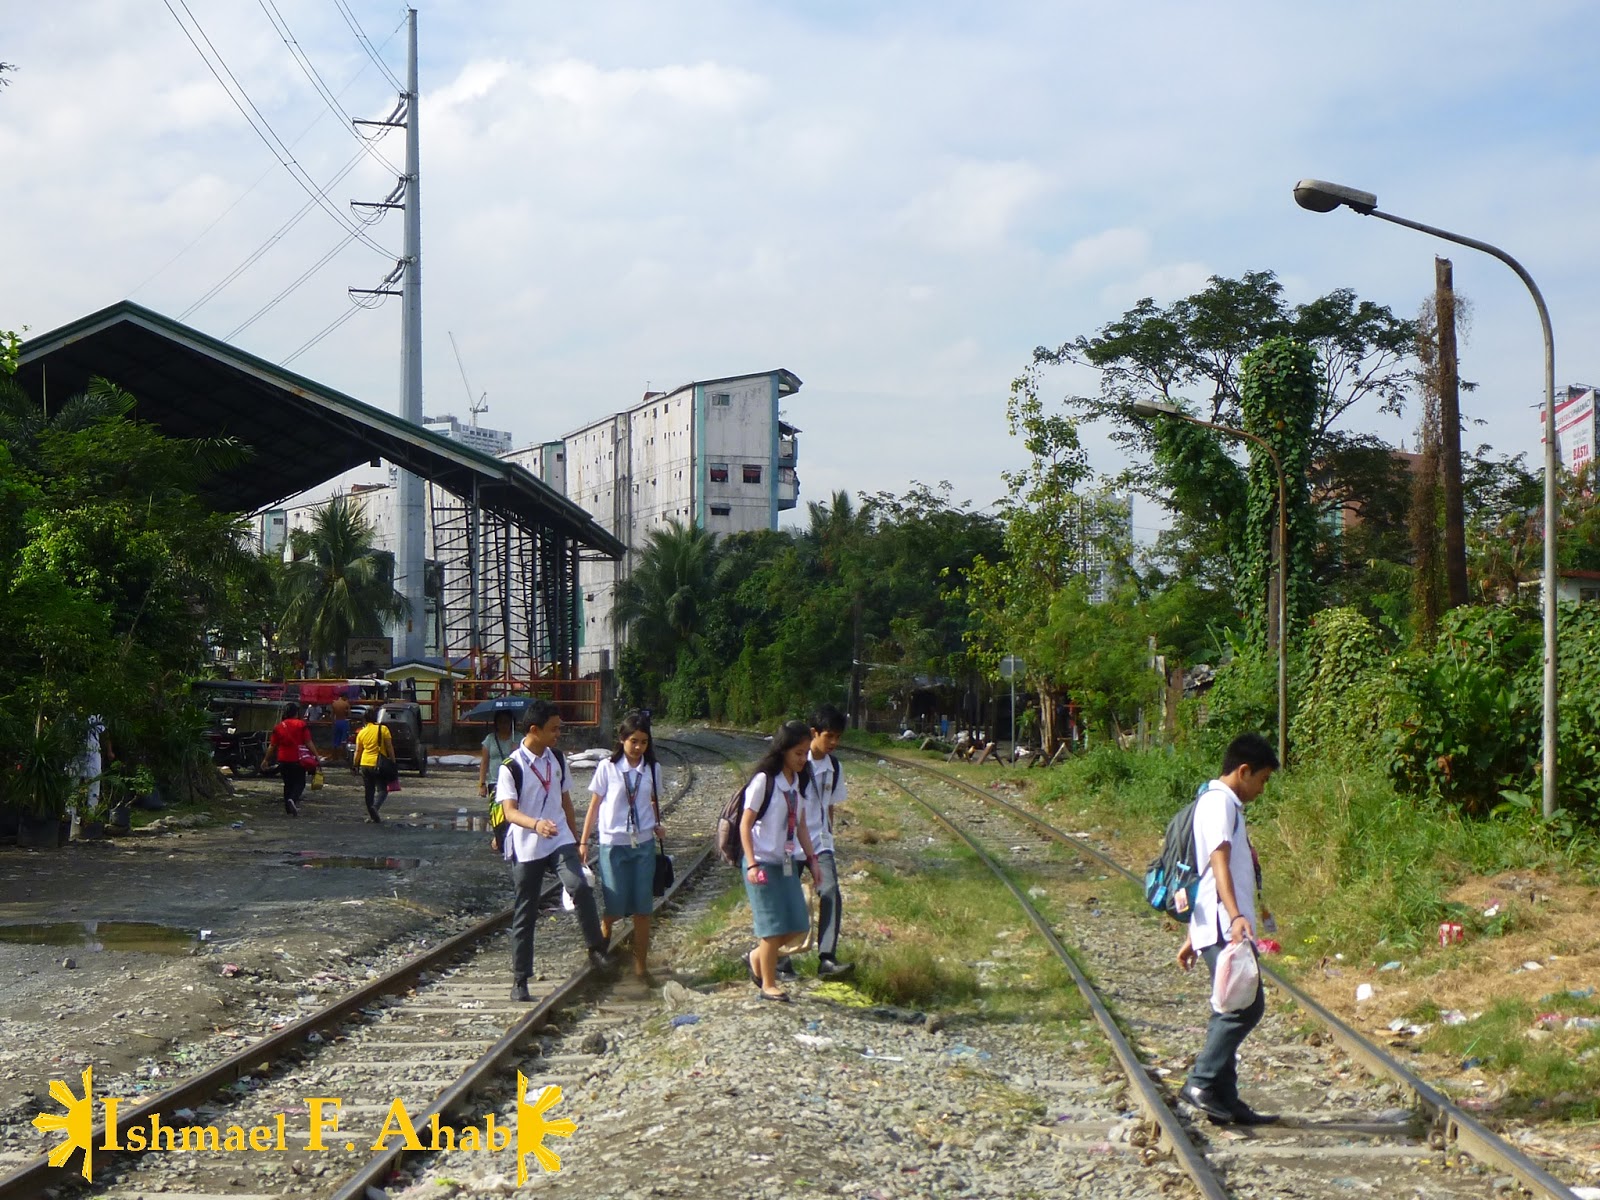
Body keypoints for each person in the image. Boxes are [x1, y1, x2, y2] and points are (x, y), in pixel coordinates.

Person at [1176, 731, 1280, 1126]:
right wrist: (1236, 917)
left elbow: (1202, 873)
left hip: (1216, 924)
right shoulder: (1220, 802)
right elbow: (1217, 862)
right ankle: (1201, 1082)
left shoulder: (1219, 802)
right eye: (1263, 779)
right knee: (1245, 1006)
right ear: (1243, 771)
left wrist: (1192, 935)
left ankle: (1225, 1096)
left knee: (1231, 1004)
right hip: (1225, 924)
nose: (1262, 789)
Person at [498, 699, 609, 1001]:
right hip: (527, 843)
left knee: (579, 885)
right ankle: (520, 980)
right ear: (534, 730)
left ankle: (597, 949)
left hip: (559, 839)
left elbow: (566, 801)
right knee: (526, 910)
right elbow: (509, 812)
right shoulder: (512, 767)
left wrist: (576, 840)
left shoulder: (557, 759)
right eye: (554, 729)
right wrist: (536, 825)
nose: (559, 734)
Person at [739, 720, 823, 1003]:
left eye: (805, 753)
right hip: (762, 863)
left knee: (799, 925)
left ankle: (757, 957)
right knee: (772, 927)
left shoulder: (797, 782)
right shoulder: (765, 780)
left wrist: (812, 860)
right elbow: (745, 824)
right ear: (783, 750)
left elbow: (800, 826)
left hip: (786, 862)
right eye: (798, 753)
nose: (803, 759)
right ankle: (768, 983)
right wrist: (751, 864)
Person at [579, 712, 663, 986]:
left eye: (644, 742)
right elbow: (594, 805)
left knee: (642, 908)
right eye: (634, 741)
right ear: (622, 740)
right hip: (613, 844)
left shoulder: (652, 769)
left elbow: (653, 801)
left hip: (643, 844)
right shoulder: (607, 767)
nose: (638, 747)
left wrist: (657, 824)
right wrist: (583, 840)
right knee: (615, 904)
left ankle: (640, 968)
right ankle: (600, 949)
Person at [794, 704, 853, 979]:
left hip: (820, 842)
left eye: (838, 737)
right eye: (829, 736)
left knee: (830, 891)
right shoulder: (795, 760)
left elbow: (829, 804)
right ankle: (781, 959)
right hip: (790, 842)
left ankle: (827, 957)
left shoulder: (835, 767)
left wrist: (829, 835)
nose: (834, 743)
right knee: (789, 898)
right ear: (813, 733)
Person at [264, 704, 318, 817]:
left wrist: (266, 760)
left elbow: (272, 746)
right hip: (298, 759)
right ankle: (292, 800)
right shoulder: (301, 724)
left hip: (283, 759)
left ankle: (288, 808)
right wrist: (316, 756)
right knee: (300, 783)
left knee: (287, 783)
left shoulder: (278, 727)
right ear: (296, 713)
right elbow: (308, 742)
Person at [354, 717, 395, 823]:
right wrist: (393, 761)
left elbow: (358, 750)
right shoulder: (383, 729)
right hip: (378, 764)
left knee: (369, 791)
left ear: (364, 720)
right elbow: (389, 747)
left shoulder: (362, 732)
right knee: (382, 790)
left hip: (365, 763)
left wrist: (355, 764)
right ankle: (375, 807)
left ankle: (372, 815)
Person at [477, 711, 518, 800]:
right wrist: (482, 784)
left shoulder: (518, 738)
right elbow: (484, 762)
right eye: (500, 722)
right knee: (496, 812)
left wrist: (517, 750)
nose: (503, 725)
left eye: (506, 722)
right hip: (494, 781)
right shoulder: (490, 739)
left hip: (513, 781)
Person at [330, 694, 352, 765]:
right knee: (344, 740)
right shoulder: (346, 703)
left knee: (335, 740)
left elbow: (332, 715)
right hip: (343, 721)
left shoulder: (334, 703)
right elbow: (349, 714)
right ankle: (343, 757)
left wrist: (333, 723)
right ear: (344, 697)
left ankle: (335, 757)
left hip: (336, 722)